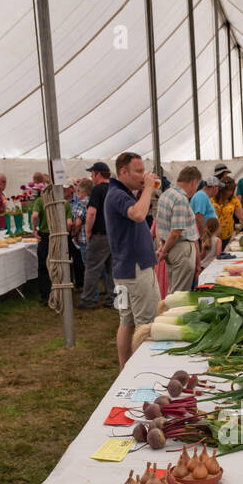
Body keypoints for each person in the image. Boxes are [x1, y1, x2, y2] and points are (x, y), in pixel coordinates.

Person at [105, 153, 160, 368]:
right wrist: (147, 188)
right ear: (123, 172)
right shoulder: (118, 194)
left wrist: (142, 190)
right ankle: (142, 370)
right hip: (136, 271)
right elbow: (138, 214)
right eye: (138, 171)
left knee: (126, 321)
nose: (143, 175)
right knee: (145, 324)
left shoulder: (119, 193)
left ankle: (125, 368)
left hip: (123, 271)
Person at [156, 167, 202, 294]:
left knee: (172, 290)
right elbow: (176, 232)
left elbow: (159, 226)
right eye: (197, 185)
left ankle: (166, 312)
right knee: (180, 294)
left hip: (170, 248)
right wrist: (164, 251)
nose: (195, 189)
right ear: (194, 182)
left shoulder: (165, 195)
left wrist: (163, 247)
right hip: (181, 250)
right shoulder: (181, 199)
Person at [79, 162, 115, 310]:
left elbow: (91, 212)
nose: (91, 177)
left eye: (92, 174)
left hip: (100, 235)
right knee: (112, 269)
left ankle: (87, 300)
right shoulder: (115, 188)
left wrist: (88, 231)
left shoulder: (97, 190)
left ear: (98, 174)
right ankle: (113, 299)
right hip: (114, 235)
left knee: (92, 267)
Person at [214, 178, 243, 246]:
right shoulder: (212, 198)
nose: (230, 192)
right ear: (221, 189)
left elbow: (240, 213)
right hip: (214, 237)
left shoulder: (234, 200)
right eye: (227, 190)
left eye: (232, 190)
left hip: (227, 236)